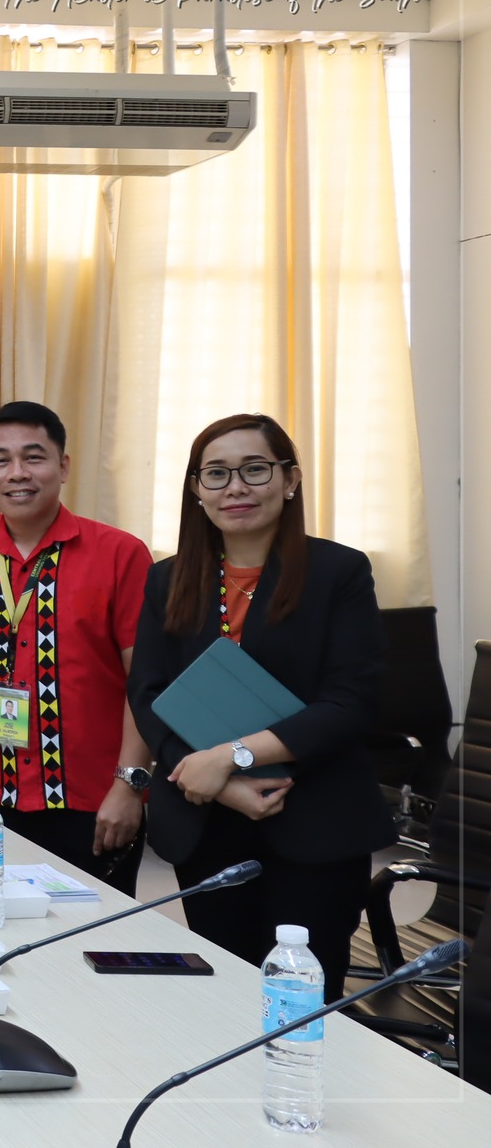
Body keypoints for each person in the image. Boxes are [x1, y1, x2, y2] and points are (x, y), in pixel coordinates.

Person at [128, 414, 392, 998]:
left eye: (255, 470)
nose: (235, 488)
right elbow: (147, 694)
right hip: (205, 818)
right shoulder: (167, 579)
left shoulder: (339, 572)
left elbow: (352, 701)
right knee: (225, 996)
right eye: (216, 474)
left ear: (290, 479)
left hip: (312, 820)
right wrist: (208, 776)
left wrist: (235, 757)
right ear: (196, 490)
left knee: (299, 1005)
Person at [0, 401, 153, 894]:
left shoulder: (120, 553)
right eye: (1, 461)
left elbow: (146, 678)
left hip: (93, 803)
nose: (18, 474)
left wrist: (129, 785)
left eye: (34, 457)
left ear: (64, 466)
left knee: (89, 948)